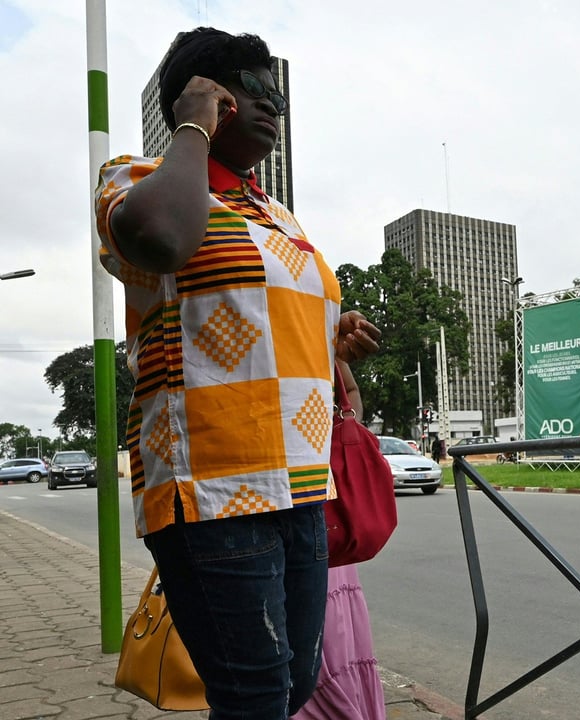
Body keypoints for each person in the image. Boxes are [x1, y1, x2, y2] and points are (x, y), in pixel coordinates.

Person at [94, 27, 380, 719]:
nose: (272, 105)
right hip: (213, 489)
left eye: (277, 94)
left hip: (301, 482)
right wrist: (191, 125)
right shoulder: (135, 179)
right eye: (251, 89)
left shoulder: (277, 215)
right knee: (253, 697)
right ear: (203, 95)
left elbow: (264, 327)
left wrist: (330, 341)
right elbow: (162, 239)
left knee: (295, 685)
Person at [293, 361, 385, 720]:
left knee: (324, 635)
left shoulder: (316, 331)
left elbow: (350, 389)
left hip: (317, 506)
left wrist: (345, 427)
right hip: (282, 504)